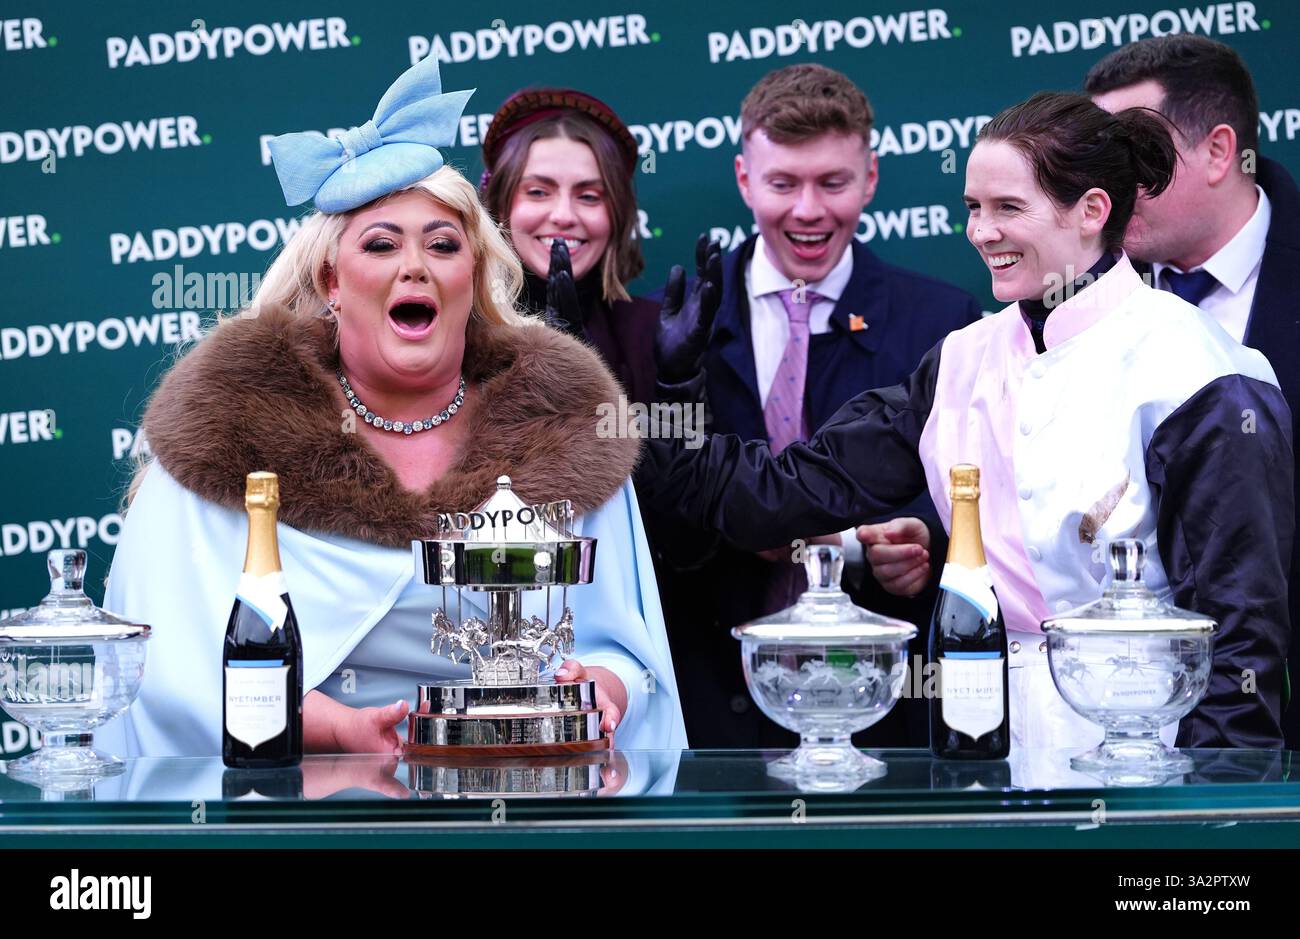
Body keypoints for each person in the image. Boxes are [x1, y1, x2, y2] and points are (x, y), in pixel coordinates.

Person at [643, 91, 1293, 753]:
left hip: (1147, 760)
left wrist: (1207, 823)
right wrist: (675, 389)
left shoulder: (1200, 372)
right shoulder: (962, 357)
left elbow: (1244, 639)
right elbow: (776, 498)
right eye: (973, 208)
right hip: (981, 756)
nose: (982, 232)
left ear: (1093, 211)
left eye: (1008, 208)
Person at [98, 56, 686, 760]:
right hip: (305, 808)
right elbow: (171, 663)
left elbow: (627, 646)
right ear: (331, 278)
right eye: (382, 244)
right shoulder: (229, 428)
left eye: (443, 245)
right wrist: (340, 729)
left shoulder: (562, 428)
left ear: (472, 275)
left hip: (522, 798)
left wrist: (603, 689)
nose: (416, 266)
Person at [653, 64, 982, 749]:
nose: (808, 210)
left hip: (890, 714)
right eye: (783, 184)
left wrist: (929, 536)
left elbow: (981, 488)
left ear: (871, 179)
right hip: (710, 708)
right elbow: (657, 508)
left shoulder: (943, 321)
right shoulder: (677, 324)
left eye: (833, 183)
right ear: (745, 180)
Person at [1083, 35, 1300, 749]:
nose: (1108, 187)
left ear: (1218, 152)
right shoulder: (1075, 302)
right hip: (1127, 730)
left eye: (1136, 155)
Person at [479, 87, 661, 407]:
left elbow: (687, 453)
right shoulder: (456, 333)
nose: (564, 215)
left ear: (617, 215)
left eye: (589, 196)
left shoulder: (655, 335)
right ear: (499, 206)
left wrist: (681, 386)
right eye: (537, 192)